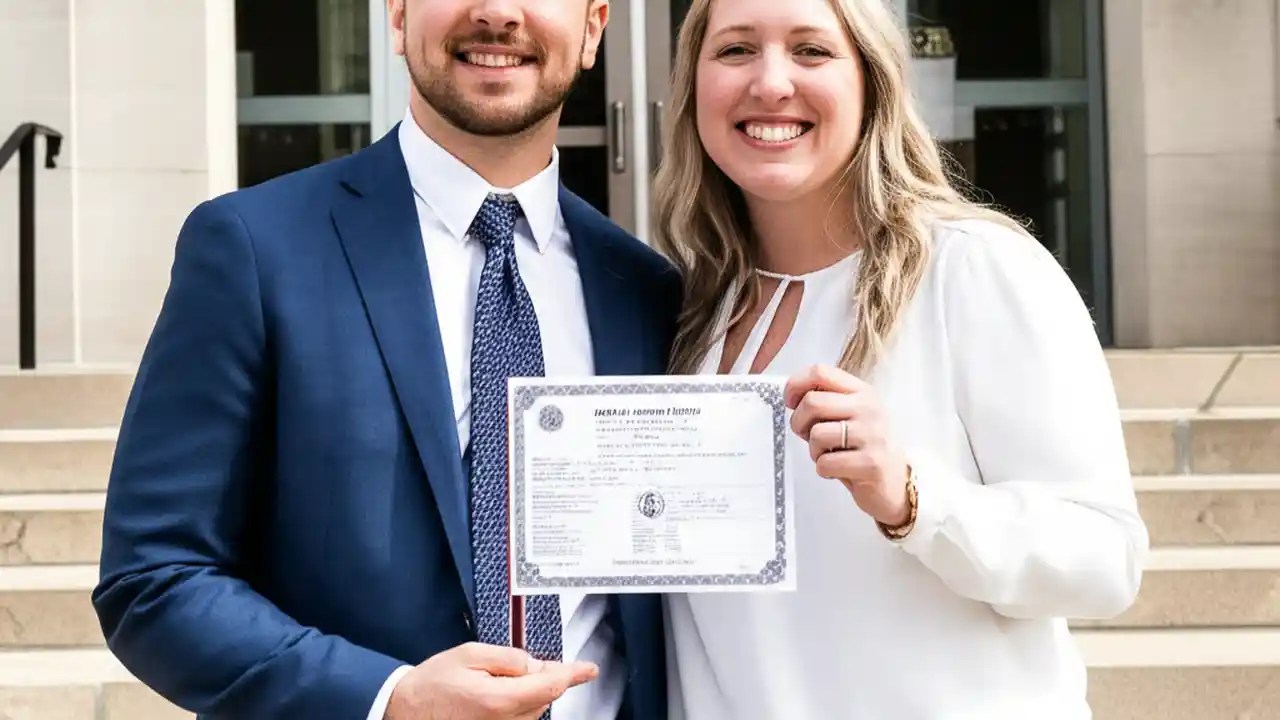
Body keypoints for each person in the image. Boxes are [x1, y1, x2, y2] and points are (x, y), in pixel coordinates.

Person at [92, 1, 678, 718]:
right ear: (397, 16)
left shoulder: (648, 292)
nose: (496, 12)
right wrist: (391, 699)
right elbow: (153, 578)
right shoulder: (252, 248)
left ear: (592, 27)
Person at [652, 0, 1150, 717]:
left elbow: (1107, 561)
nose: (770, 82)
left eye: (811, 51)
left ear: (871, 80)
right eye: (734, 50)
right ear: (693, 86)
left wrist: (913, 495)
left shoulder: (975, 269)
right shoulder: (695, 309)